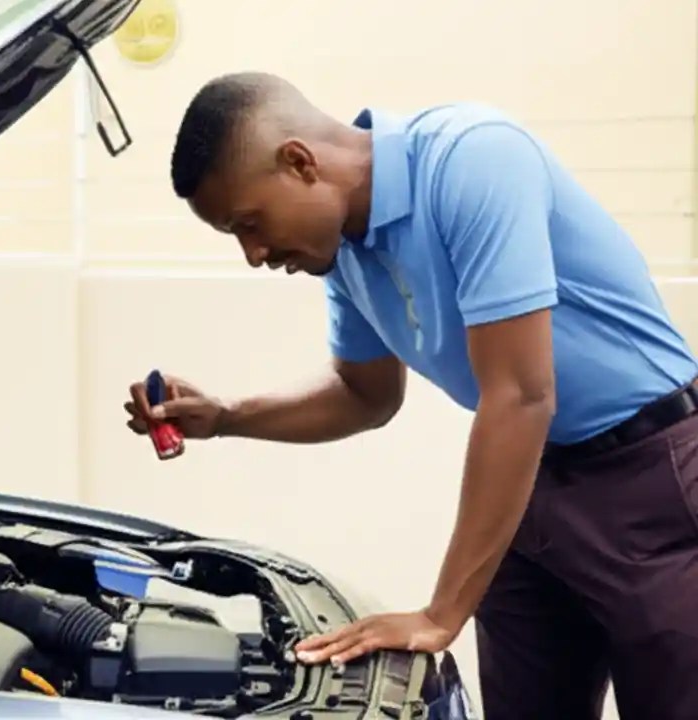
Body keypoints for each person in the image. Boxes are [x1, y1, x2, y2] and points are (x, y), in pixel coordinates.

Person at [123, 71, 698, 719]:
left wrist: (440, 613)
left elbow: (521, 395)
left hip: (656, 485)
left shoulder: (473, 159)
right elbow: (362, 393)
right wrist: (224, 417)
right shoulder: (344, 251)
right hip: (529, 489)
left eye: (249, 223)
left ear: (299, 161)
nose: (253, 253)